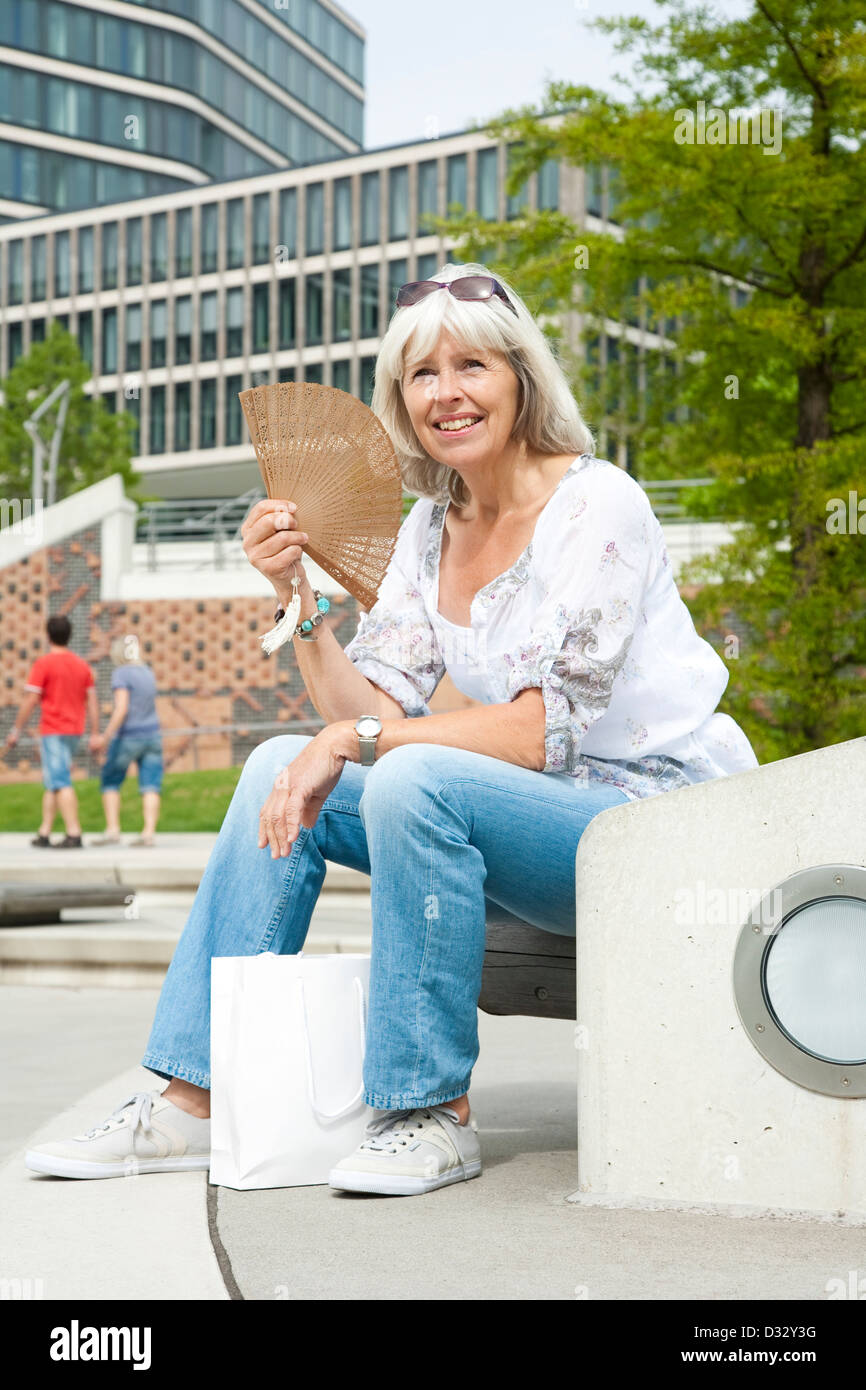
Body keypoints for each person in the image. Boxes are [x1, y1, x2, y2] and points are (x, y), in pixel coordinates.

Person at [24, 262, 759, 1195]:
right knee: (274, 765)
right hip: (529, 822)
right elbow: (369, 713)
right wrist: (298, 601)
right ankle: (187, 1100)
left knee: (409, 775)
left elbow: (540, 736)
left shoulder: (596, 505)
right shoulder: (428, 528)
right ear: (399, 397)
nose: (446, 394)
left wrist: (363, 744)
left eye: (472, 366)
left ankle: (429, 1110)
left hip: (655, 828)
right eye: (421, 374)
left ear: (521, 377)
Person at [4, 614, 100, 849]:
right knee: (53, 781)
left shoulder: (44, 664)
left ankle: (74, 833)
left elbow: (30, 700)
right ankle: (44, 831)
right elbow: (93, 701)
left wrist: (16, 729)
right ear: (69, 636)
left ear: (48, 636)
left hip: (54, 730)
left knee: (60, 780)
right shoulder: (82, 665)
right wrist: (95, 731)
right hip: (74, 731)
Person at [90, 633, 163, 847]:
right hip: (153, 735)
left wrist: (105, 737)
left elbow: (121, 710)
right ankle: (148, 833)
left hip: (129, 737)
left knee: (110, 781)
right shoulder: (147, 672)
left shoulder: (121, 673)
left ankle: (113, 830)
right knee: (150, 785)